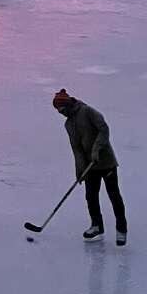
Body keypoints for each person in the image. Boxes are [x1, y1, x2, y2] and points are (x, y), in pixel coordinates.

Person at [52, 89, 127, 245]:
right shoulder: (69, 124)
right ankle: (97, 226)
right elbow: (76, 148)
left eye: (61, 109)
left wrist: (97, 149)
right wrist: (80, 169)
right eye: (58, 110)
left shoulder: (87, 111)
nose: (60, 112)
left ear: (67, 104)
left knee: (114, 195)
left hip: (106, 162)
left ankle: (121, 229)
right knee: (91, 197)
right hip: (90, 167)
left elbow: (104, 128)